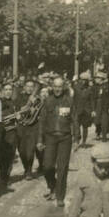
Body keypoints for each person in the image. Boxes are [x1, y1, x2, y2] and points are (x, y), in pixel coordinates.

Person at [37, 72, 76, 206]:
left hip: (65, 137)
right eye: (55, 86)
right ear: (52, 87)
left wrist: (76, 137)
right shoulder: (47, 101)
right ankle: (52, 186)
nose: (58, 89)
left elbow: (74, 120)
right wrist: (40, 140)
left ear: (64, 87)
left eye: (60, 86)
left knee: (62, 167)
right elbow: (42, 121)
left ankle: (60, 196)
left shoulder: (69, 101)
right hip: (50, 137)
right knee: (47, 166)